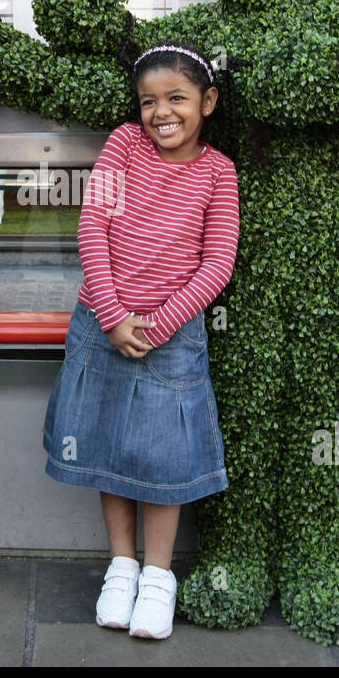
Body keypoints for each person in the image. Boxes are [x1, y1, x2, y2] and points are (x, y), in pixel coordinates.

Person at [42, 43, 240, 640]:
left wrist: (159, 322)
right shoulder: (123, 146)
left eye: (176, 99)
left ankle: (158, 576)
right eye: (149, 101)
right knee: (105, 441)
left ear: (206, 102)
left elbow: (217, 264)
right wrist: (111, 314)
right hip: (103, 326)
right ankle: (121, 565)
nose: (162, 113)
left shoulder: (218, 171)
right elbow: (93, 227)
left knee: (162, 450)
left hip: (172, 337)